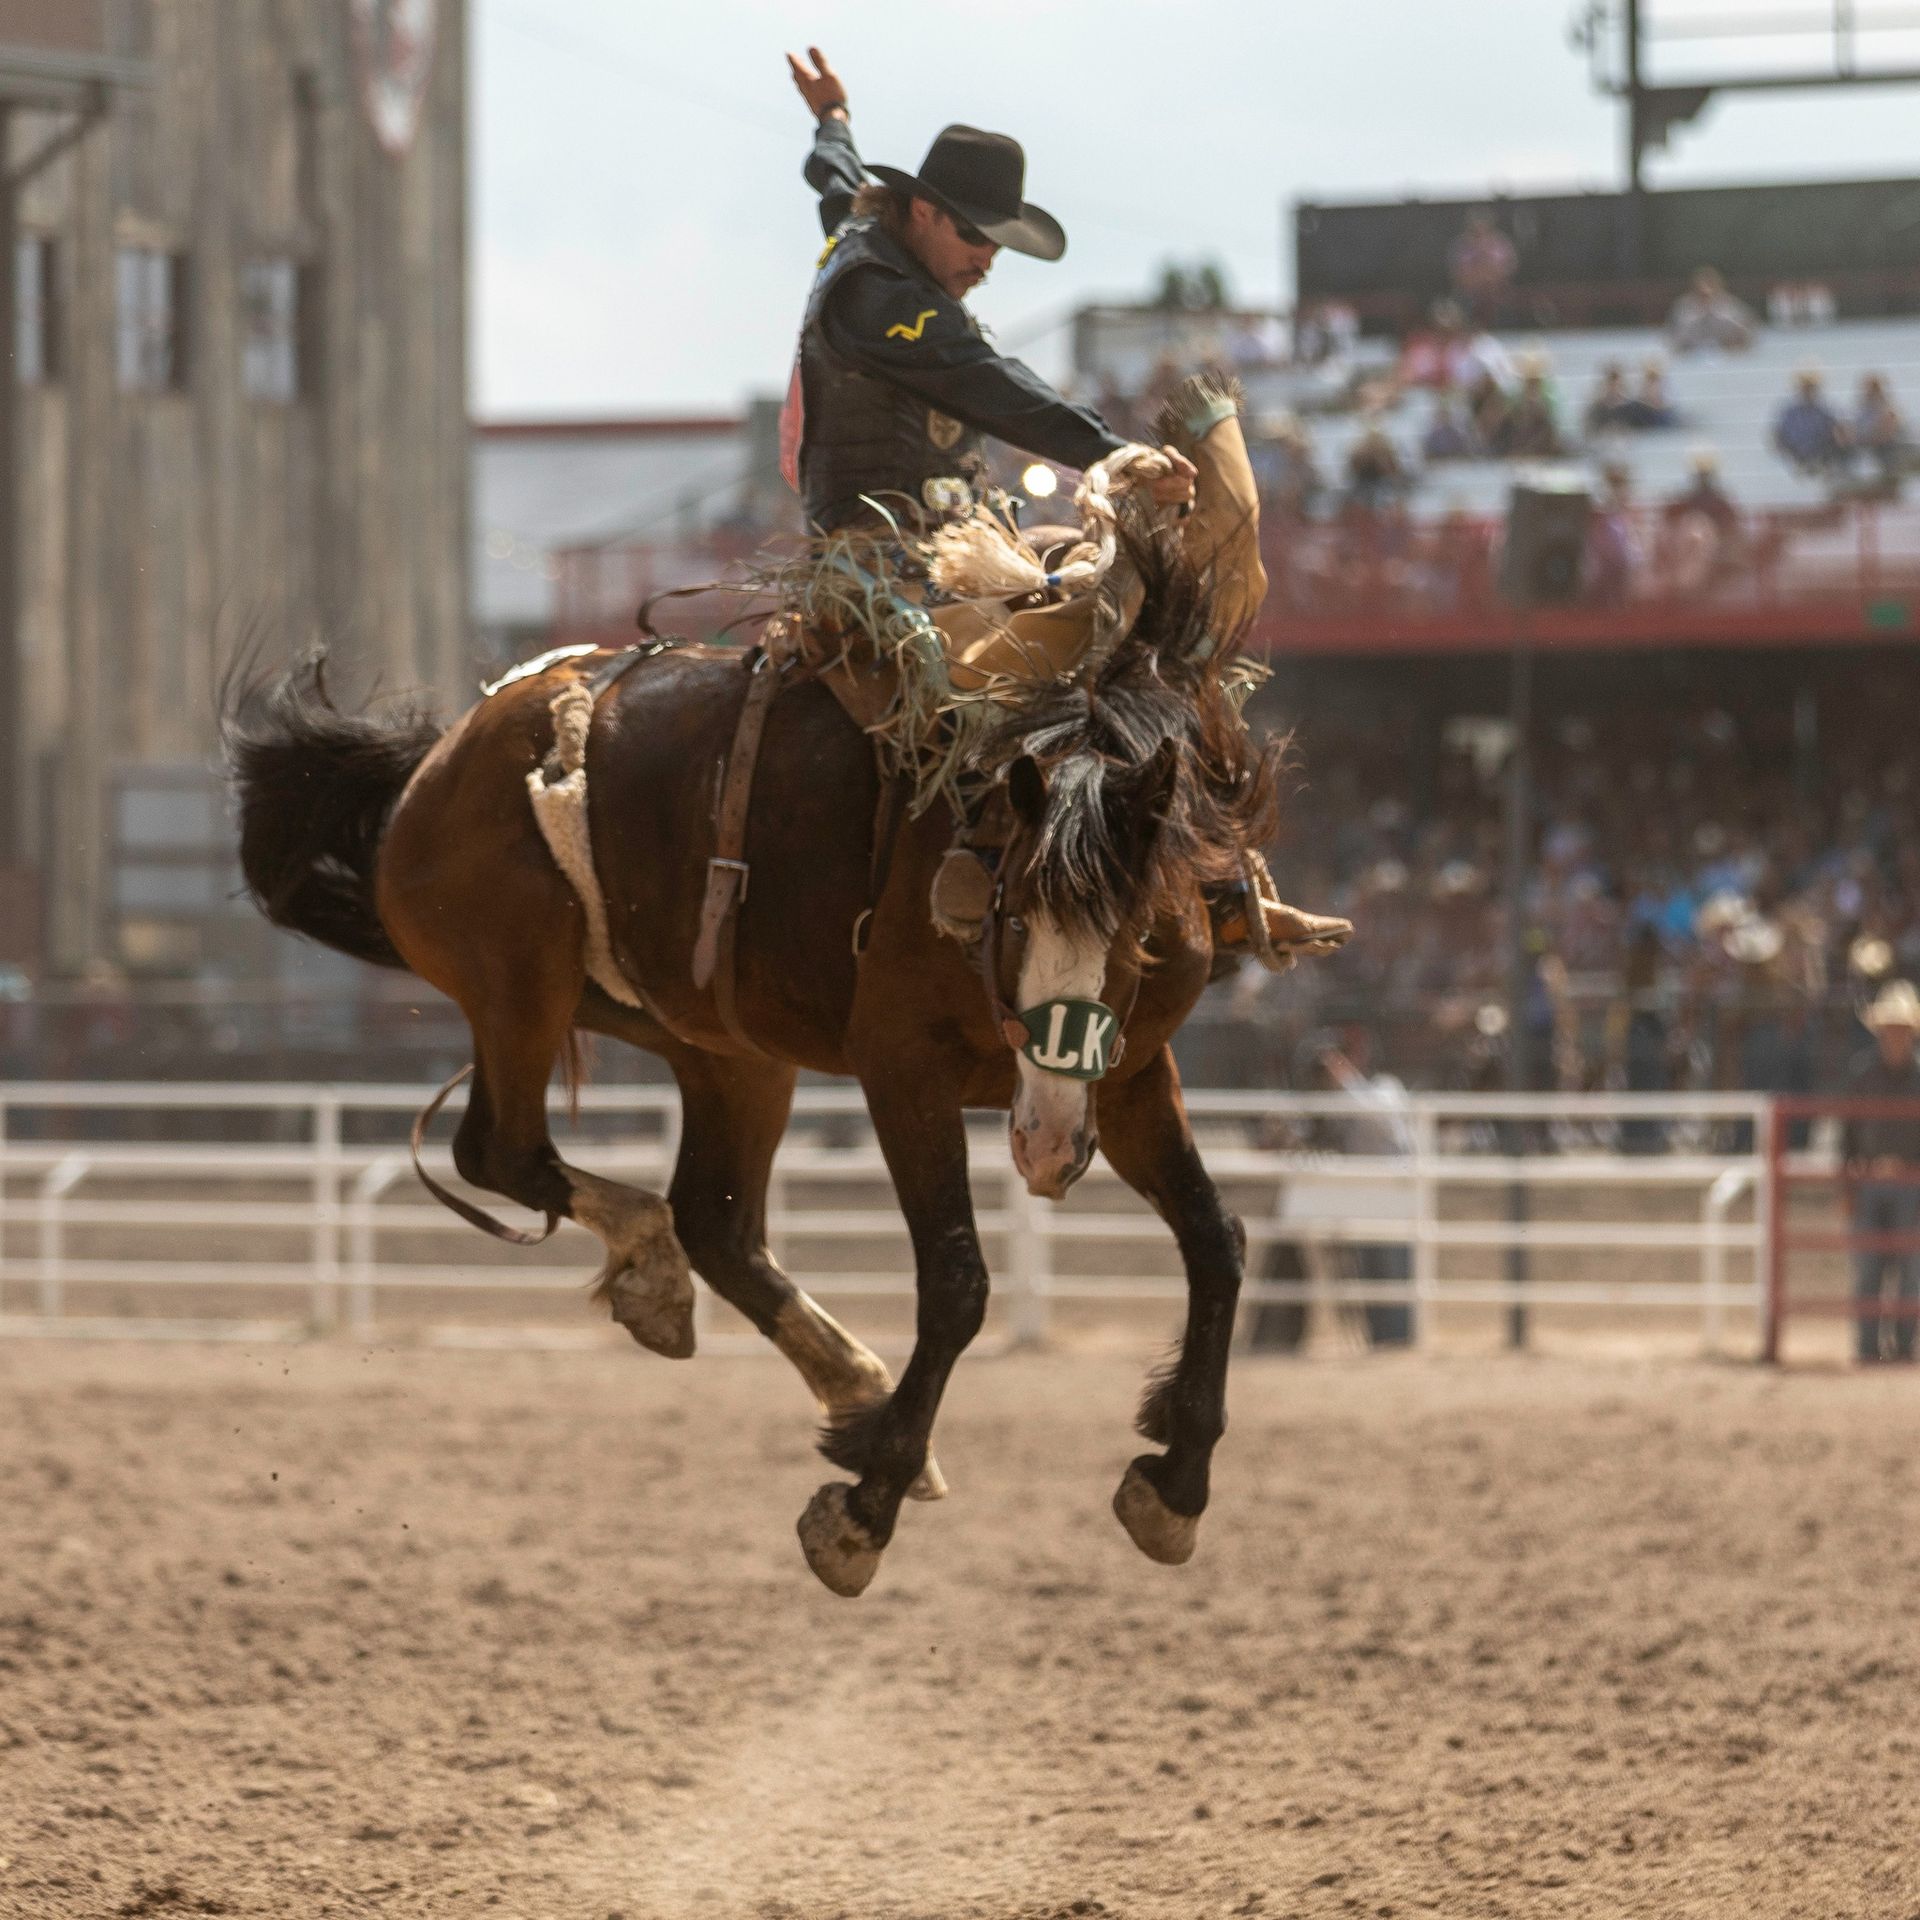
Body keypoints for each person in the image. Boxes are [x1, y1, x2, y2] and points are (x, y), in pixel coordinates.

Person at [782, 47, 1195, 533]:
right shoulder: (882, 297)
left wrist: (832, 115)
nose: (985, 259)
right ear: (922, 211)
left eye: (997, 244)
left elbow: (837, 172)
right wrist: (1118, 456)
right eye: (973, 235)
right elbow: (996, 388)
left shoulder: (865, 231)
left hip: (944, 532)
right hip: (875, 546)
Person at [1840, 979, 1920, 1363]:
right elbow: (1848, 1135)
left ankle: (1903, 1346)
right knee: (1868, 1269)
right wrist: (1847, 1186)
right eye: (1890, 1028)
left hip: (1913, 1183)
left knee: (1911, 1270)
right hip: (1870, 1180)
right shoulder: (1862, 1073)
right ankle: (1868, 1347)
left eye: (1900, 1028)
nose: (1895, 1035)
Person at [1773, 368, 1850, 476]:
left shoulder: (1825, 410)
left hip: (1822, 460)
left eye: (1811, 387)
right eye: (1805, 387)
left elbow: (1840, 432)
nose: (1808, 391)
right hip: (1797, 460)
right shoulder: (1790, 413)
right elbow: (1778, 438)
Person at [1448, 211, 1517, 323]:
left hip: (1496, 290)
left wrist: (1488, 276)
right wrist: (1477, 277)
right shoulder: (1461, 245)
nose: (1480, 231)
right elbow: (1458, 274)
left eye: (1483, 228)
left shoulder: (1501, 243)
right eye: (1475, 229)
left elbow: (1507, 270)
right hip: (1469, 293)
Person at [1667, 267, 1756, 354]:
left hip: (1726, 355)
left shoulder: (1730, 304)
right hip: (1692, 355)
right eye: (1701, 287)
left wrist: (1721, 317)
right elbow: (1673, 336)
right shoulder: (1683, 306)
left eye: (1710, 285)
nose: (1706, 290)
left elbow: (1748, 331)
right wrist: (1699, 317)